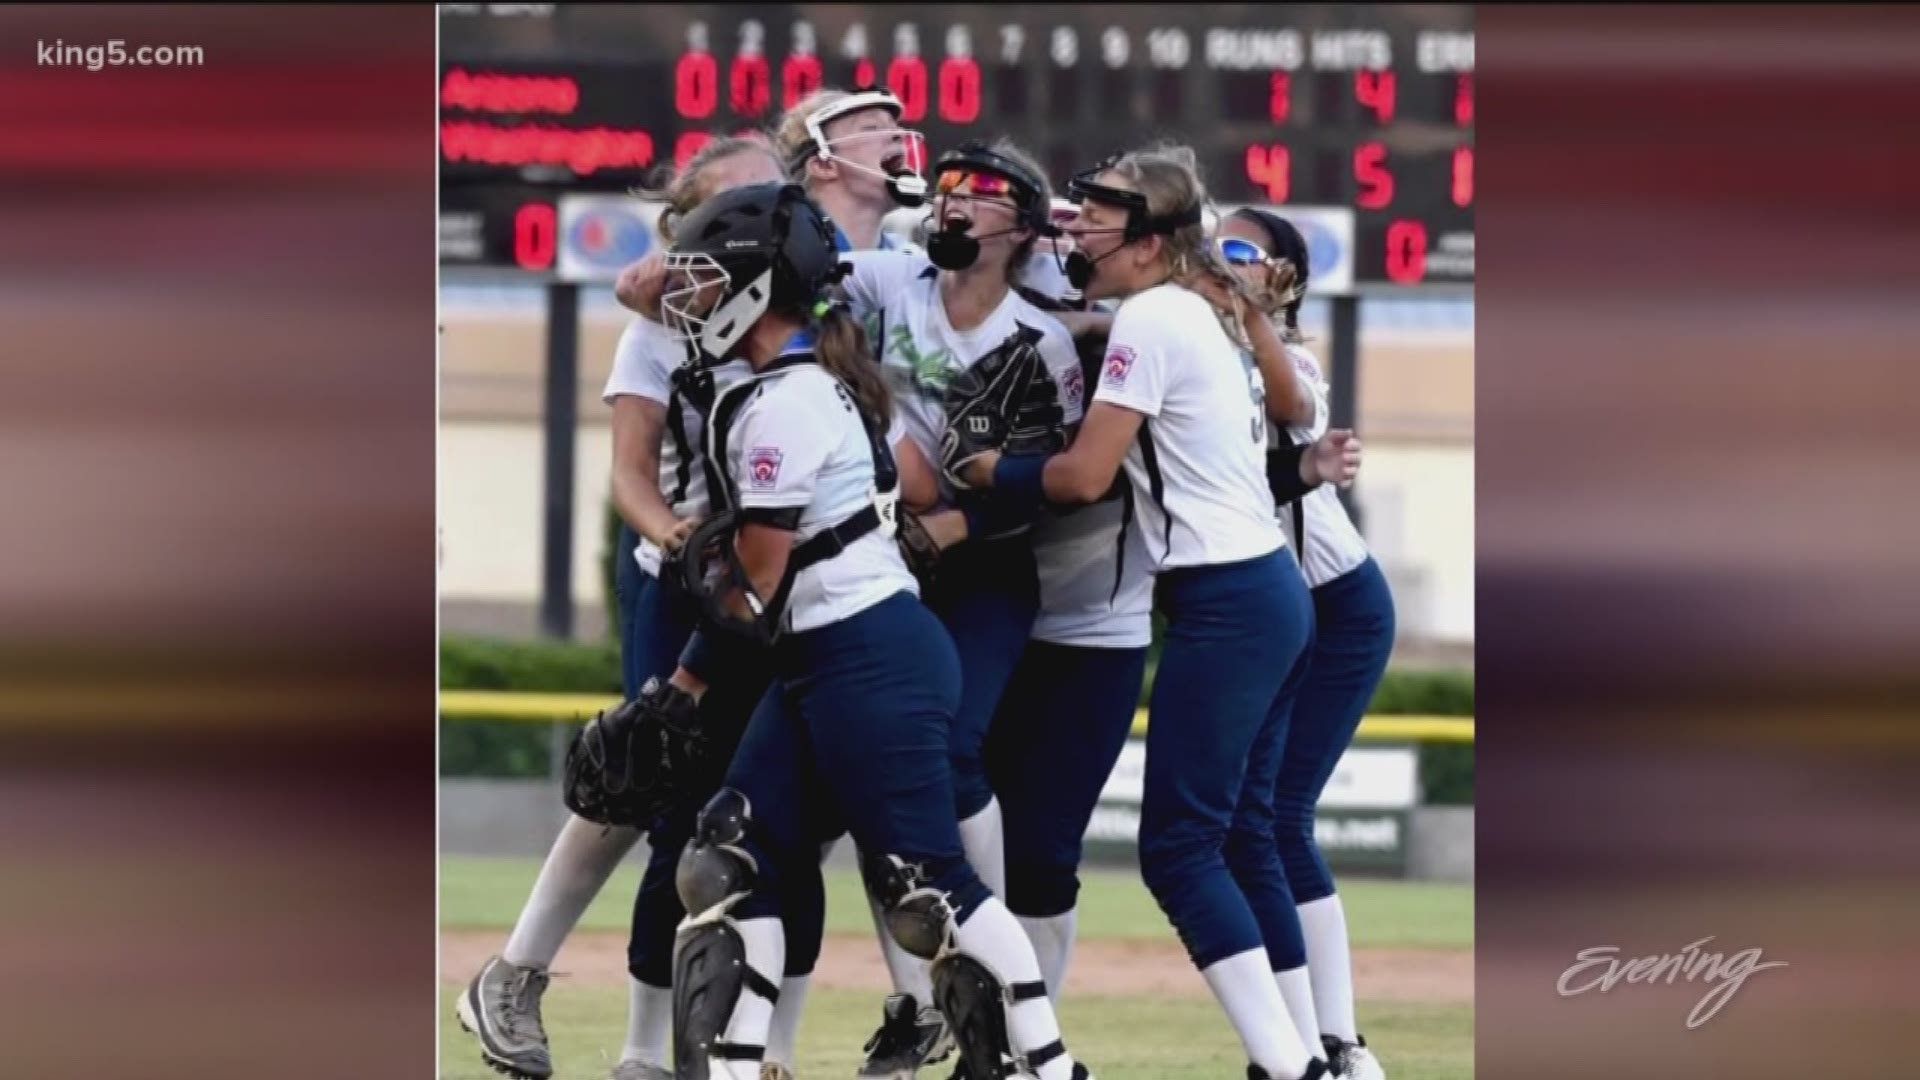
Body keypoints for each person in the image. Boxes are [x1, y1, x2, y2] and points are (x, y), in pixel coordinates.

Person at [646, 179, 1097, 1080]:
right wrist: (687, 682)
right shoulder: (789, 382)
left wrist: (684, 683)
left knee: (927, 884)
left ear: (757, 286)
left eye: (703, 282)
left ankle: (1047, 1068)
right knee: (733, 852)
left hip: (866, 653)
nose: (687, 302)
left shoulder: (784, 401)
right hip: (834, 650)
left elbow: (756, 587)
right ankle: (737, 1064)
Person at [945, 145, 1356, 1080]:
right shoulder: (1199, 308)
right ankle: (1307, 1056)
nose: (1081, 222)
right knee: (1234, 836)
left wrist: (988, 472)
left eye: (1103, 210)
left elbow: (1086, 477)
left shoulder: (1155, 316)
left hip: (1229, 599)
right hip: (1264, 591)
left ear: (1154, 235)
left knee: (1178, 851)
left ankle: (1296, 1067)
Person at [829, 137, 1091, 1071]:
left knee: (951, 744)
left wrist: (957, 528)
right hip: (877, 559)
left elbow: (1045, 486)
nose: (951, 203)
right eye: (943, 188)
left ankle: (982, 953)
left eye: (979, 194)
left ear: (1022, 228)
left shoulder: (1042, 342)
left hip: (980, 568)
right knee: (871, 766)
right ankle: (920, 998)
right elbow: (799, 263)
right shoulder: (895, 284)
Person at [1217, 208, 1396, 1080]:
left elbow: (1292, 407)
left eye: (1242, 249)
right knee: (1253, 824)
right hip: (1275, 607)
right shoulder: (1190, 344)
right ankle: (1310, 1047)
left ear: (1282, 278)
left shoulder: (1291, 359)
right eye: (1214, 240)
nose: (1220, 255)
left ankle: (1336, 1043)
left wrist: (1245, 309)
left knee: (1274, 819)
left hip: (1335, 603)